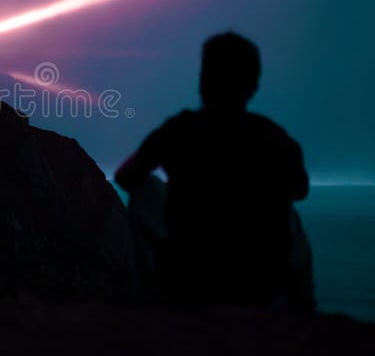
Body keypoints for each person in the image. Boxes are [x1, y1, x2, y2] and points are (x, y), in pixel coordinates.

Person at [115, 32, 315, 309]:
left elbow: (126, 176)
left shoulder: (179, 130)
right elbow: (300, 190)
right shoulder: (273, 137)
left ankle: (150, 298)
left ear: (204, 81)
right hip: (261, 283)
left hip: (191, 275)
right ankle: (302, 309)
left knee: (142, 192)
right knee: (291, 216)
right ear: (253, 86)